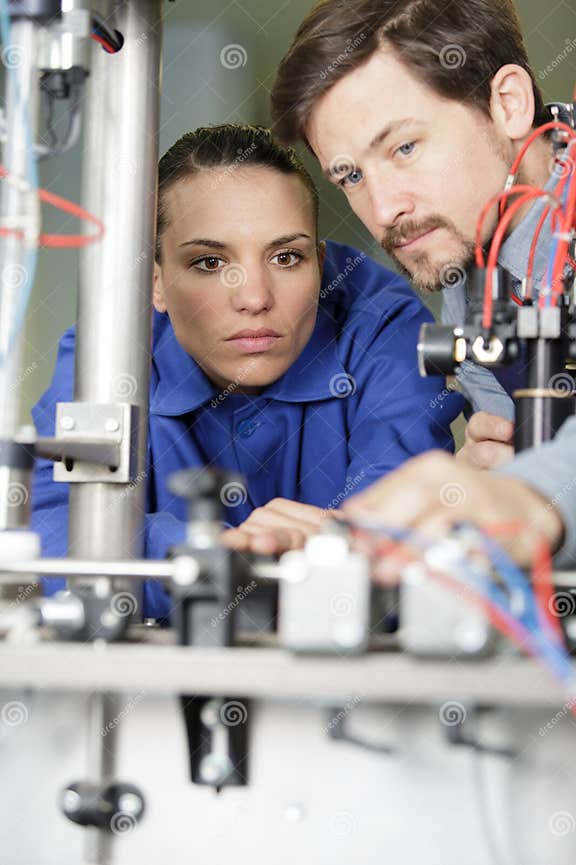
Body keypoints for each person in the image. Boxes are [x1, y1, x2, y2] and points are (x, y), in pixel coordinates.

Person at [31, 123, 462, 617]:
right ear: (156, 284)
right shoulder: (110, 352)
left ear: (319, 264)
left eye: (286, 257)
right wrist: (224, 558)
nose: (254, 298)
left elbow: (404, 525)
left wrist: (179, 564)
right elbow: (49, 529)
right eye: (210, 263)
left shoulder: (383, 324)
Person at [241, 0, 575, 569]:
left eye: (404, 148)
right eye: (351, 175)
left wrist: (526, 497)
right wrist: (385, 535)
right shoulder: (469, 259)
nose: (383, 210)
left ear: (509, 104)